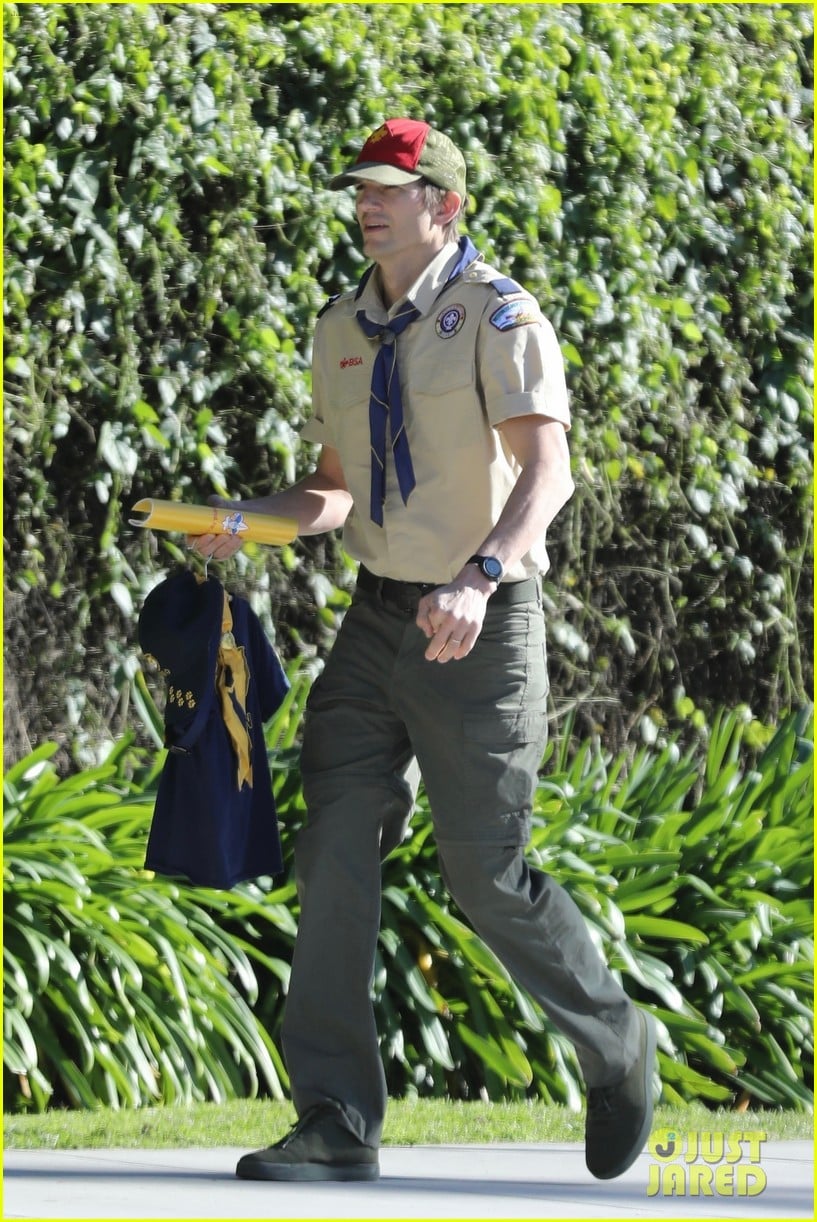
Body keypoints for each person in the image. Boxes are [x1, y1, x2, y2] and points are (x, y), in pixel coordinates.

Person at [189, 117, 657, 1184]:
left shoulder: (499, 315)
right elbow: (333, 488)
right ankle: (334, 1119)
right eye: (362, 186)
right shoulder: (338, 327)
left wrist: (480, 576)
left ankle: (616, 1040)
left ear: (442, 206)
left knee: (484, 872)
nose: (368, 202)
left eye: (391, 190)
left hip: (480, 624)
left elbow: (547, 475)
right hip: (376, 617)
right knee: (333, 847)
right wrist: (240, 519)